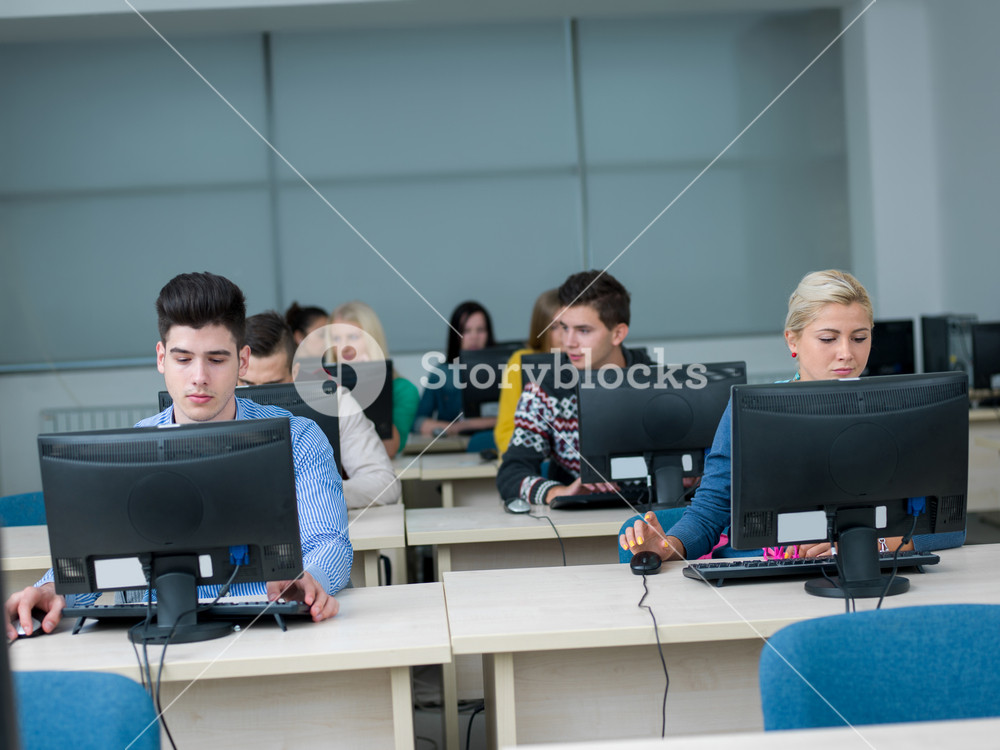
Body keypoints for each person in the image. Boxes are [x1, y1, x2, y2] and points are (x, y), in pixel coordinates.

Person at [6, 273, 351, 639]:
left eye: (216, 359)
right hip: (153, 637)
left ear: (243, 362)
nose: (199, 377)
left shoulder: (299, 438)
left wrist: (311, 579)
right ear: (161, 358)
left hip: (263, 631)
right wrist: (49, 591)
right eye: (183, 359)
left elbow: (328, 542)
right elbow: (92, 561)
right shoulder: (123, 452)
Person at [619, 269, 929, 562]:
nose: (846, 352)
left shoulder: (902, 408)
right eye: (828, 338)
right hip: (767, 578)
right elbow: (711, 511)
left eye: (859, 338)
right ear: (793, 341)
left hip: (870, 572)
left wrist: (870, 539)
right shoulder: (750, 409)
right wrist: (666, 547)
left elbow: (944, 520)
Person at [496, 270, 653, 505]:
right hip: (579, 523)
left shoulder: (659, 384)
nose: (568, 342)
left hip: (654, 518)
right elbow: (511, 473)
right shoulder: (544, 389)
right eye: (564, 327)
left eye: (583, 330)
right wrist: (557, 493)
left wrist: (694, 476)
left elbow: (713, 463)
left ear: (618, 333)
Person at [242, 310, 401, 509]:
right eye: (246, 384)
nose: (258, 399)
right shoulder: (209, 408)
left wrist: (314, 491)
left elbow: (385, 485)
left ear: (295, 372)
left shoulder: (335, 402)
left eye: (272, 385)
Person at [328, 301, 419, 458]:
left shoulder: (404, 390)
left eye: (353, 337)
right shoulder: (322, 387)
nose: (344, 347)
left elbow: (387, 449)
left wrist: (367, 385)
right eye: (336, 338)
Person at [413, 300, 499, 438]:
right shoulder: (441, 373)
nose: (474, 337)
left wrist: (465, 426)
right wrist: (456, 428)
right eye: (466, 330)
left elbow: (514, 417)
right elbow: (418, 422)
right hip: (455, 446)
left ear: (488, 333)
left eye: (480, 330)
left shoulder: (506, 369)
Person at [493, 288, 564, 455]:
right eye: (554, 327)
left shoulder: (587, 361)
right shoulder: (520, 361)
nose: (564, 335)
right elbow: (505, 430)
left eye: (568, 326)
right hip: (532, 460)